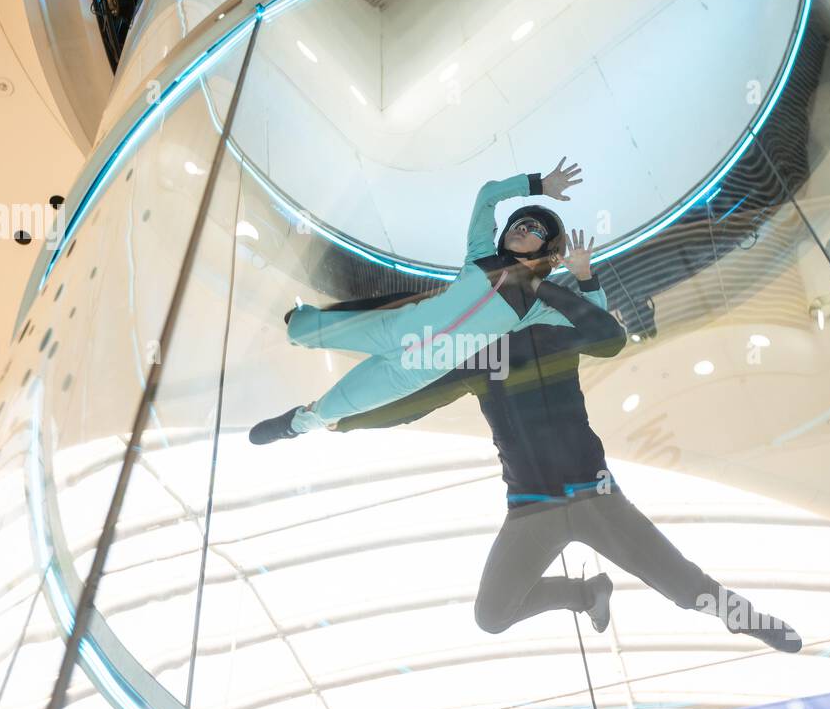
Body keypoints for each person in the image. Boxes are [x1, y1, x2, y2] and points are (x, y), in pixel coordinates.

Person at [333, 233, 803, 653]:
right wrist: (351, 420)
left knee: (681, 585)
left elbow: (608, 336)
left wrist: (572, 280)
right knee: (491, 615)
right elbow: (417, 399)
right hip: (531, 509)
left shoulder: (553, 332)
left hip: (594, 498)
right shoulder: (476, 353)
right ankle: (584, 594)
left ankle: (749, 620)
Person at [249, 158, 586, 443]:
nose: (523, 229)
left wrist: (587, 278)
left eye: (535, 230)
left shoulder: (534, 306)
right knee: (300, 328)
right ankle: (300, 322)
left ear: (548, 249)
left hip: (410, 375)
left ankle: (296, 423)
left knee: (332, 410)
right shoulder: (481, 256)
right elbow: (489, 196)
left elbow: (590, 318)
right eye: (521, 223)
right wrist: (538, 184)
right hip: (391, 329)